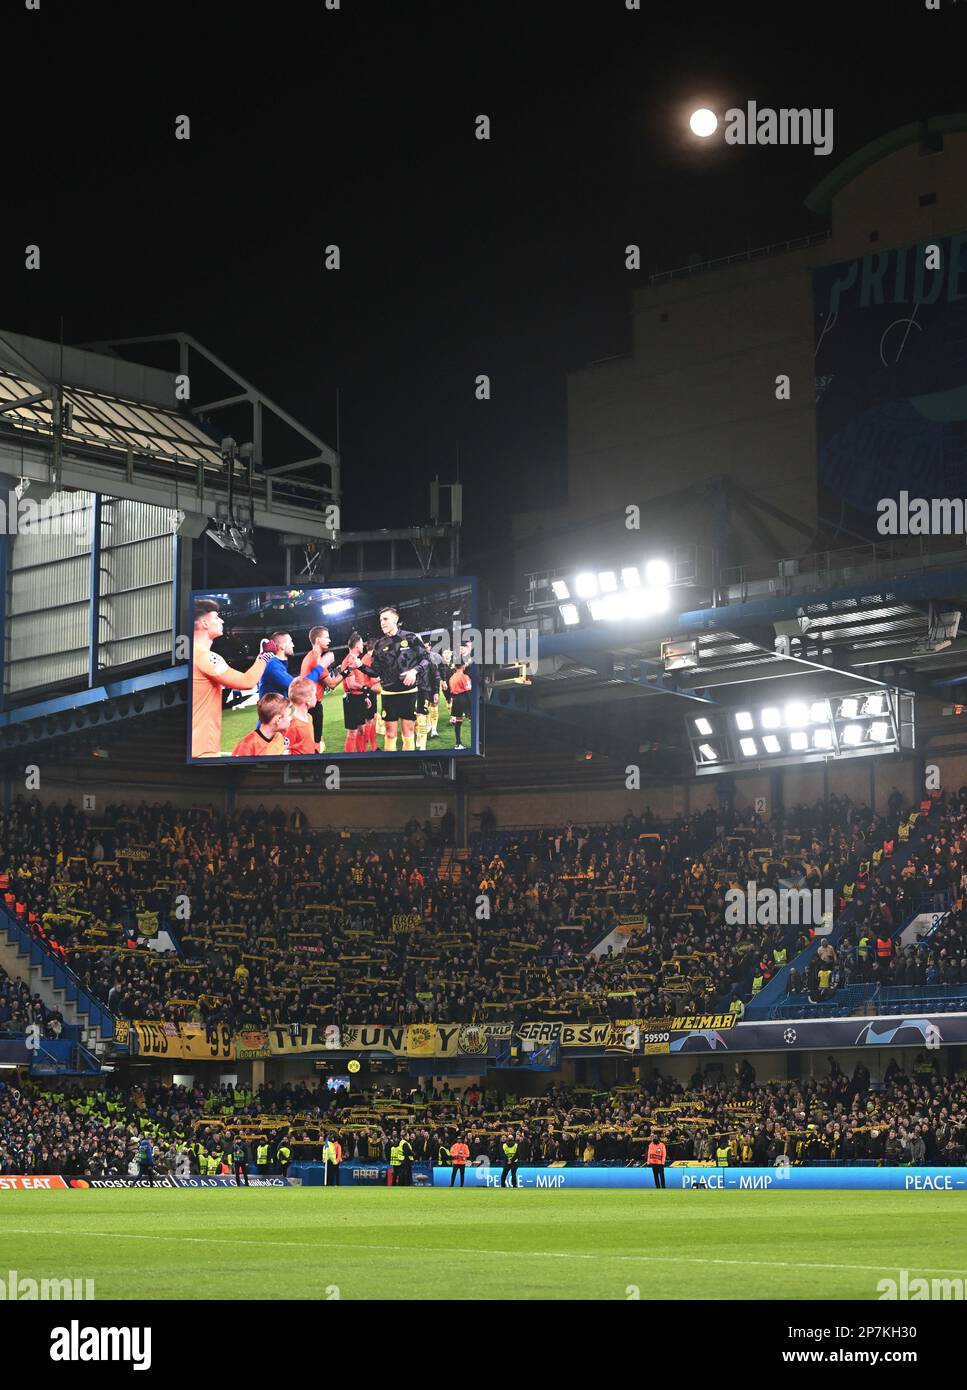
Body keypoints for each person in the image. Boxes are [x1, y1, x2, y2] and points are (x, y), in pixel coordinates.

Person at [191, 599, 269, 757]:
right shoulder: (206, 657)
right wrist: (265, 657)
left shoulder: (191, 654)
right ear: (204, 623)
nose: (222, 620)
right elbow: (246, 682)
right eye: (216, 617)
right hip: (203, 748)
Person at [370, 606, 433, 752]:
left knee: (408, 731)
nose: (382, 623)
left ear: (395, 620)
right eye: (380, 620)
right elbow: (375, 670)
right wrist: (360, 666)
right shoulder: (379, 644)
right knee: (390, 734)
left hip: (408, 692)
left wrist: (414, 671)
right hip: (388, 694)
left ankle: (409, 761)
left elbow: (426, 659)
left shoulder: (410, 637)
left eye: (385, 619)